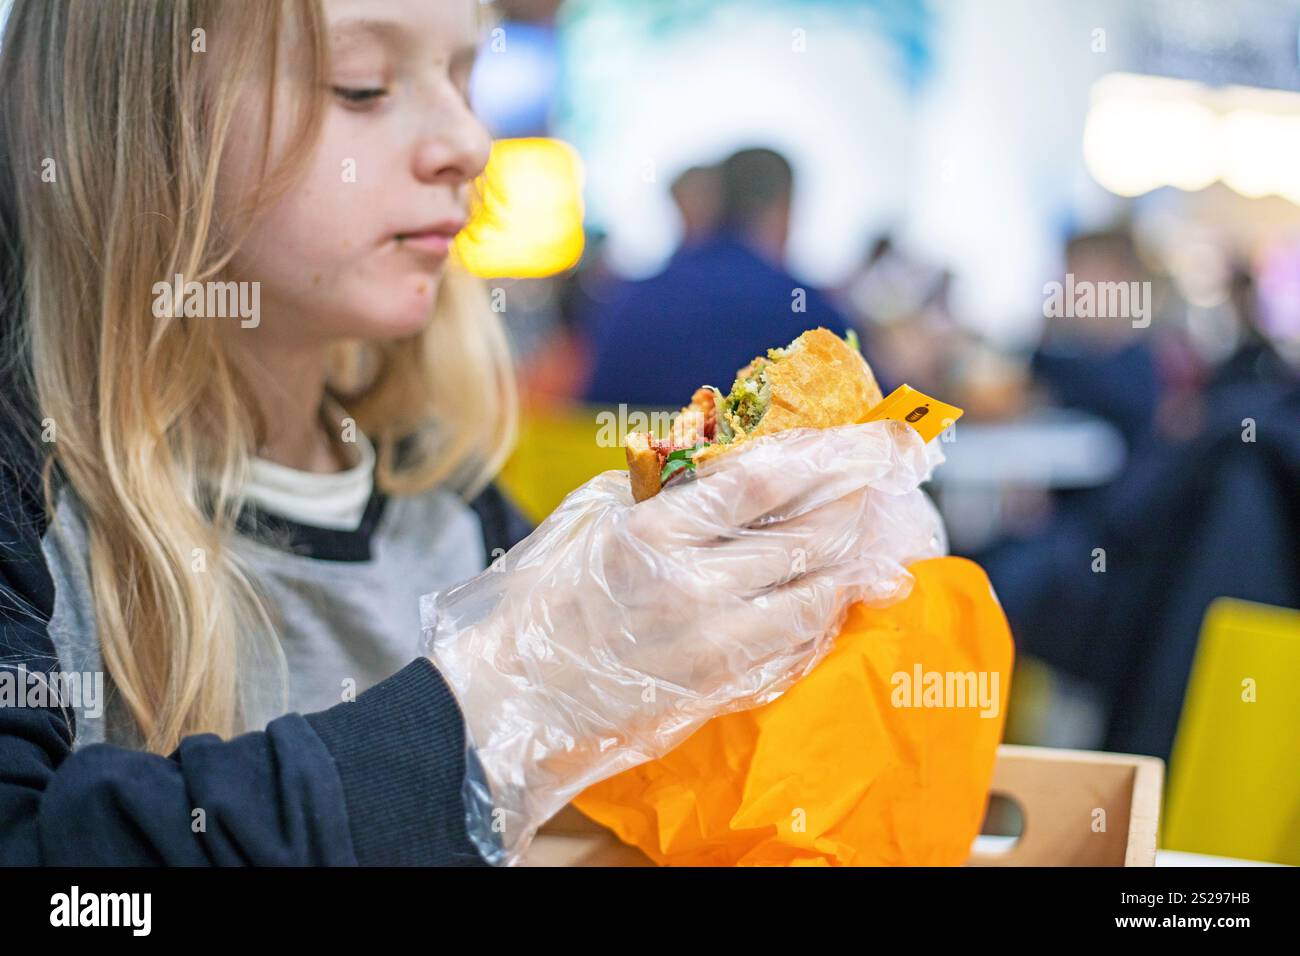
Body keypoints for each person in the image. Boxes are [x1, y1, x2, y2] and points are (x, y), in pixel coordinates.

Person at [0, 0, 895, 865]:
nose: (471, 145)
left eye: (467, 78)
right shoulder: (32, 506)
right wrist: (492, 707)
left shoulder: (456, 510)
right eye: (361, 85)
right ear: (139, 118)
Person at [581, 147, 853, 406]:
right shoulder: (808, 314)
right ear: (784, 207)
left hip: (616, 450)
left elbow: (587, 415)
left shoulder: (631, 300)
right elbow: (880, 412)